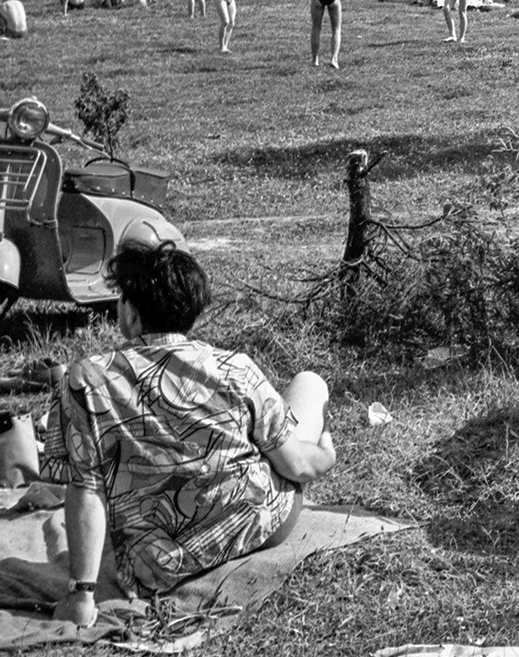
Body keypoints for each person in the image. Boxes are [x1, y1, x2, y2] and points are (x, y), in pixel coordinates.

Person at [40, 240, 336, 626]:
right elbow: (297, 466)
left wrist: (82, 596)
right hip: (254, 523)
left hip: (153, 564)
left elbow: (86, 488)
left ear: (130, 312)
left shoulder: (86, 379)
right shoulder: (235, 368)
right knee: (309, 384)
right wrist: (326, 453)